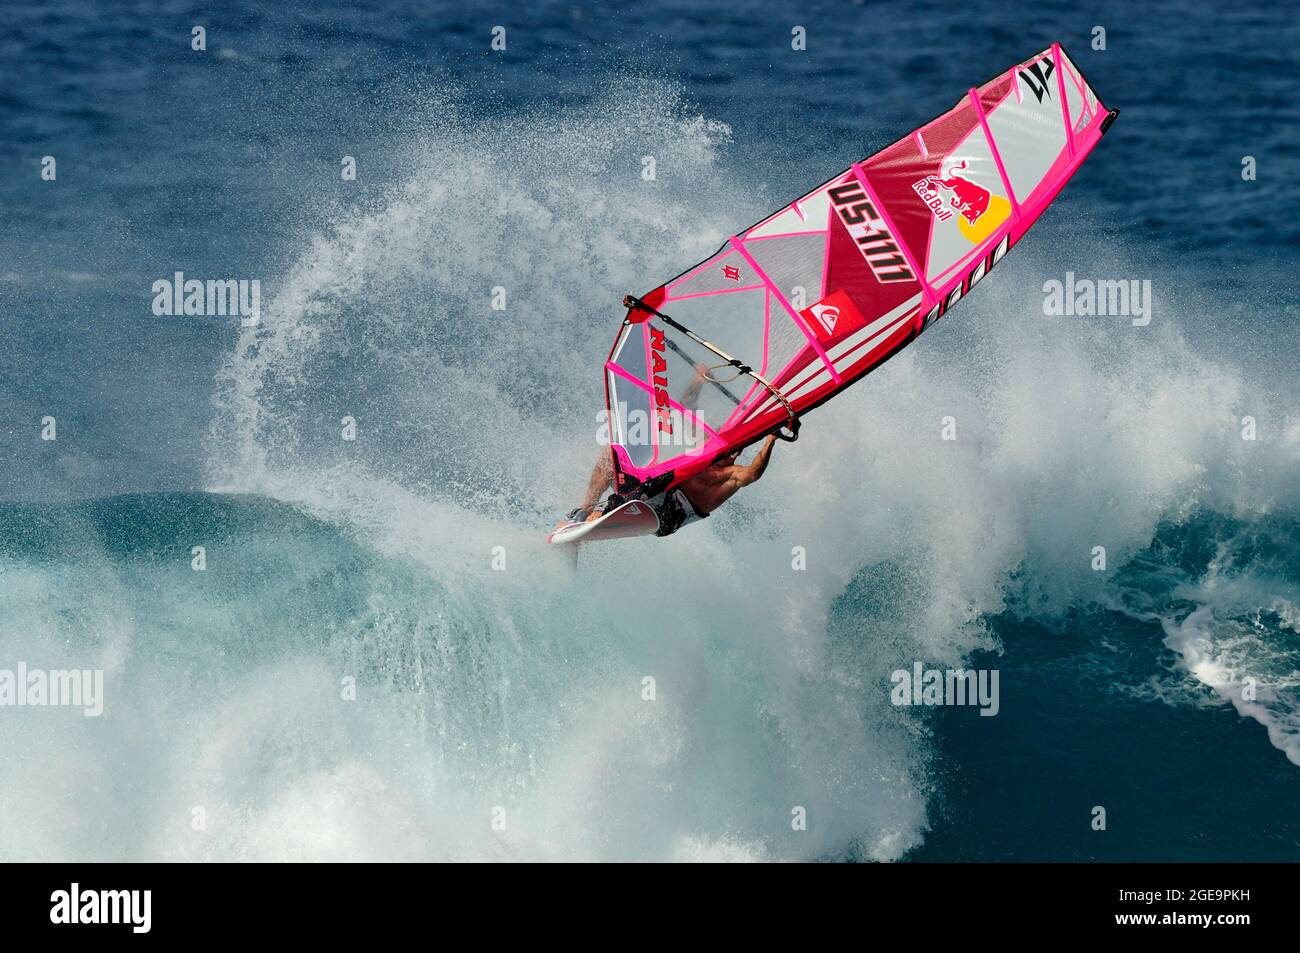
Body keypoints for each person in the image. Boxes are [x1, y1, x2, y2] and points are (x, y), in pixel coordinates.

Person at [560, 360, 780, 537]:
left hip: (668, 517)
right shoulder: (704, 450)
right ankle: (585, 509)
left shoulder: (729, 475)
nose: (728, 452)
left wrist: (770, 439)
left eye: (734, 450)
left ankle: (596, 517)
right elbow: (686, 406)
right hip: (651, 494)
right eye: (723, 444)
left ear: (738, 452)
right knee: (613, 454)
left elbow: (752, 474)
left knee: (655, 484)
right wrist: (698, 380)